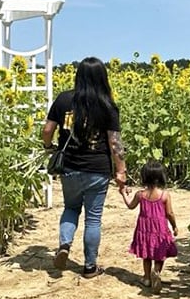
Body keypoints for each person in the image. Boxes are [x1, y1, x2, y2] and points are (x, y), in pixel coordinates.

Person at [42, 56, 127, 278]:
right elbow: (115, 142)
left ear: (78, 77)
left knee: (71, 208)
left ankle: (64, 245)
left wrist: (48, 146)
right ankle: (90, 266)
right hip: (97, 169)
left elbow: (47, 130)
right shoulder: (107, 105)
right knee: (93, 218)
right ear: (102, 78)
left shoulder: (63, 100)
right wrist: (121, 171)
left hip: (70, 167)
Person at [121, 159, 178, 294]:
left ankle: (146, 278)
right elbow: (169, 213)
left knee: (147, 254)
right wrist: (174, 226)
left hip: (144, 230)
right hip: (160, 229)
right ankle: (156, 273)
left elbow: (130, 206)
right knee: (160, 253)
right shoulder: (164, 195)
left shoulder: (140, 194)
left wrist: (123, 193)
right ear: (161, 177)